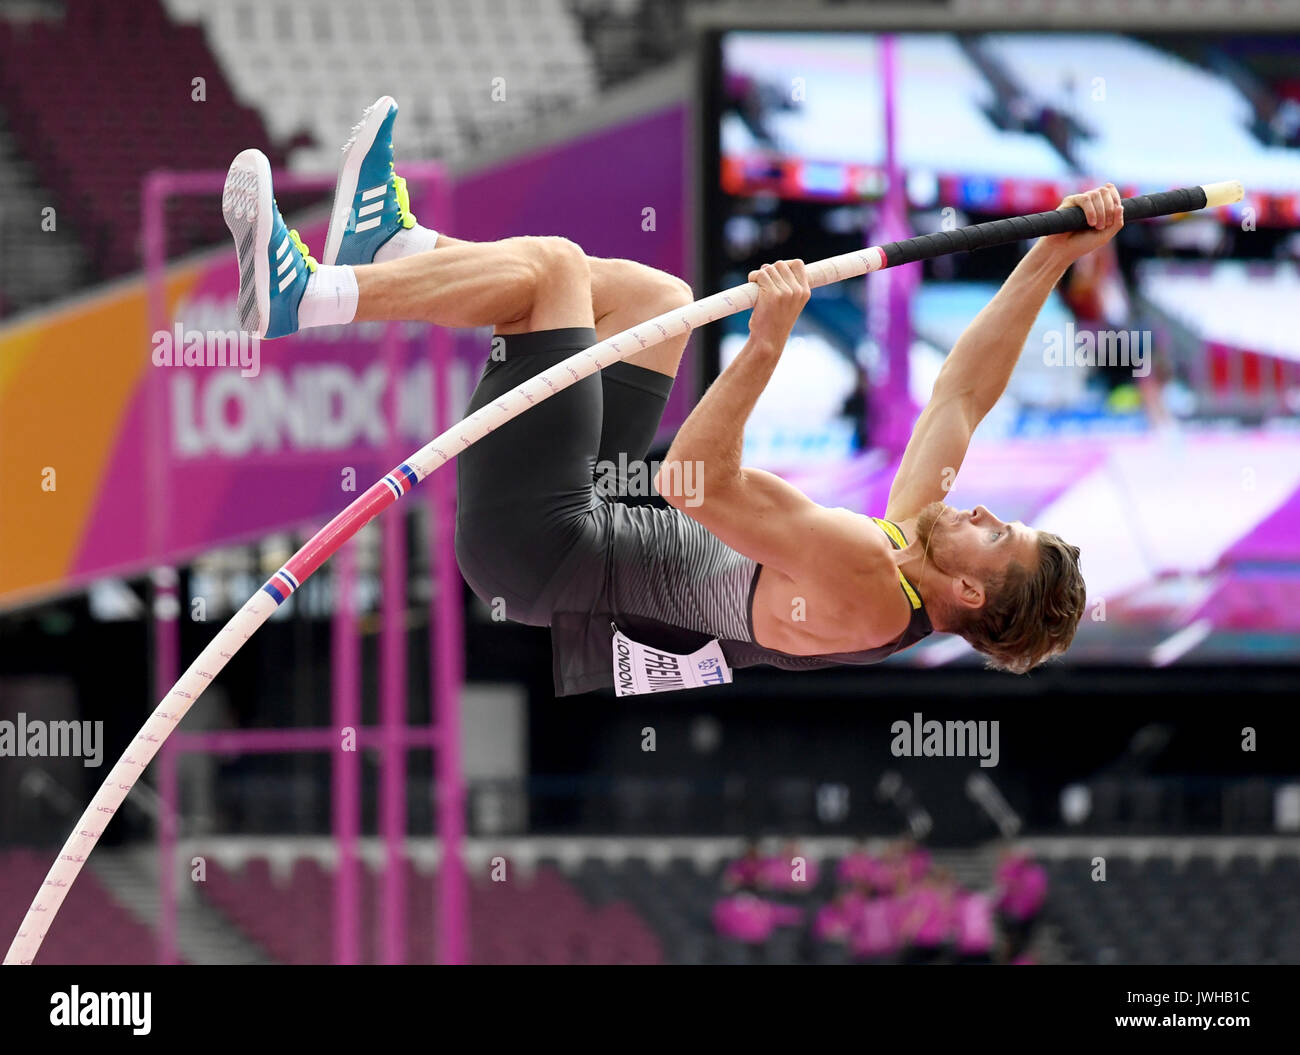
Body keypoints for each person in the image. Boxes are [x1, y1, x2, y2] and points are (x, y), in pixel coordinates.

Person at [223, 96, 1104, 698]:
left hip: (544, 547)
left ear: (975, 594)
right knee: (659, 303)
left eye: (996, 533)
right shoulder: (908, 559)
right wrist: (1056, 251)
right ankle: (390, 247)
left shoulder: (867, 582)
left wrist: (766, 342)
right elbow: (961, 393)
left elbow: (691, 481)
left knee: (554, 272)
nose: (983, 509)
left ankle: (308, 297)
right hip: (591, 520)